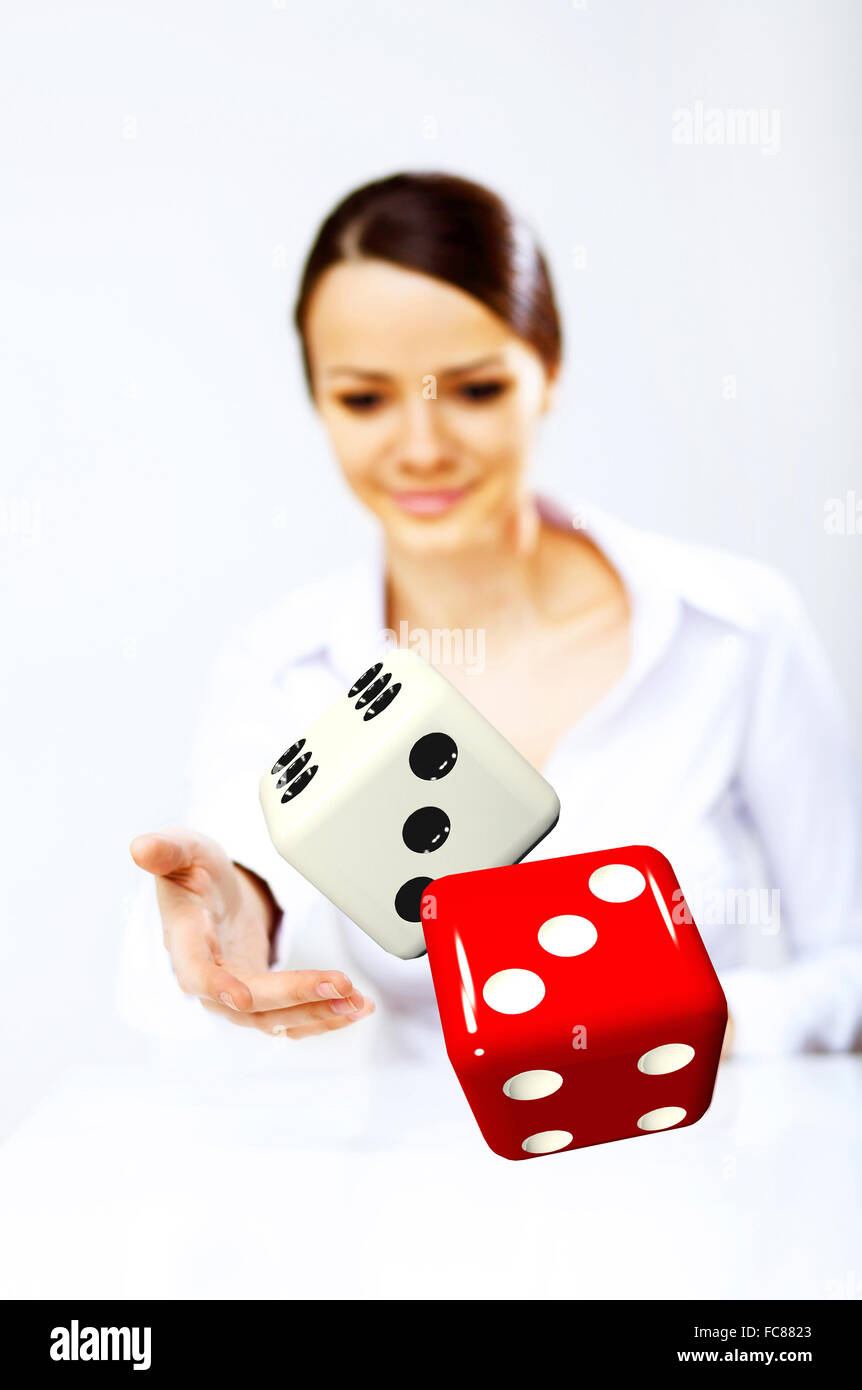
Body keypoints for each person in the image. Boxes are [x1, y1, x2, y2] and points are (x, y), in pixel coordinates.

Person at [126, 171, 862, 1063]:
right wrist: (246, 904)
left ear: (548, 372)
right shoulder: (284, 665)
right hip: (418, 1186)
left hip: (699, 1175)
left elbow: (848, 966)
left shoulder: (737, 630)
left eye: (473, 390)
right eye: (364, 398)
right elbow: (232, 875)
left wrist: (709, 1020)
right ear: (318, 400)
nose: (424, 447)